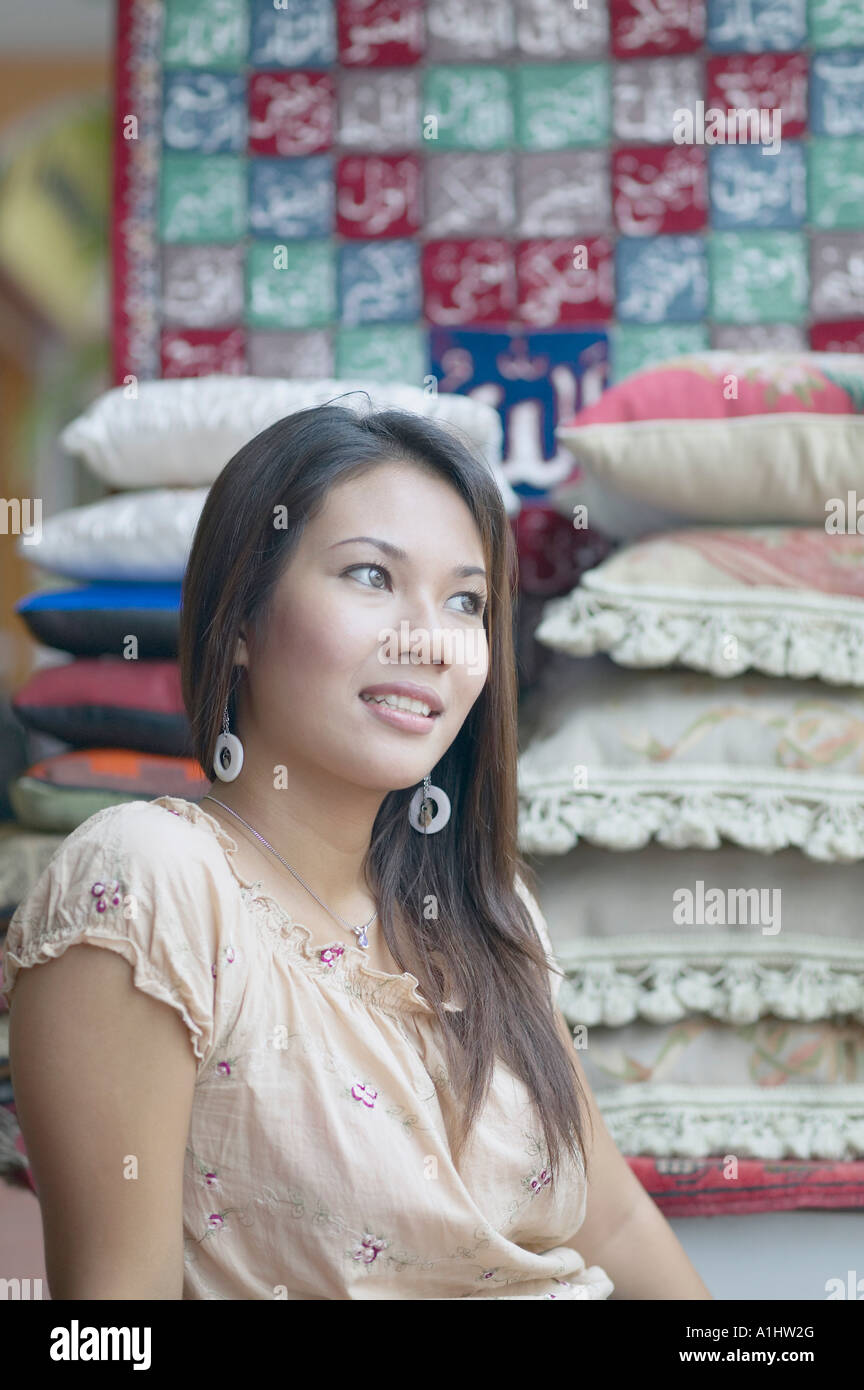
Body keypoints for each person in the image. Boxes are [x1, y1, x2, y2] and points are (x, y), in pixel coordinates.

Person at [3, 401, 712, 1300]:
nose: (428, 638)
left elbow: (608, 1222)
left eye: (465, 599)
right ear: (244, 618)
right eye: (372, 575)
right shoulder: (152, 882)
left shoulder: (484, 915)